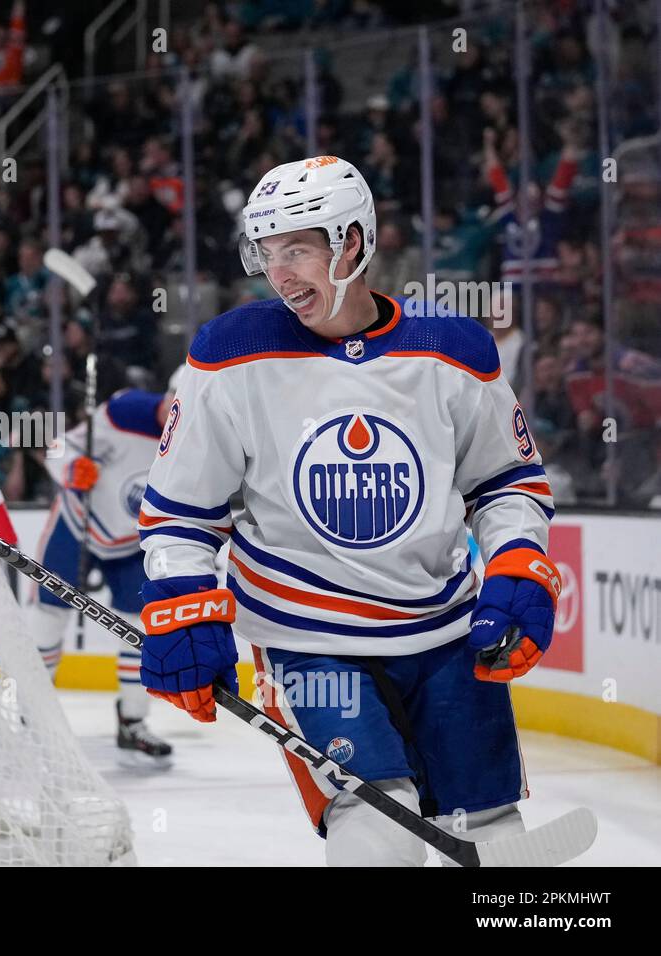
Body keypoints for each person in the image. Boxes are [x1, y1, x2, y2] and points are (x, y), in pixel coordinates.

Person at [139, 157, 560, 866]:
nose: (281, 273)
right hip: (307, 636)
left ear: (354, 243)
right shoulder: (228, 355)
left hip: (445, 629)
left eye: (298, 249)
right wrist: (183, 597)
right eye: (267, 253)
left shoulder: (454, 349)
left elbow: (508, 482)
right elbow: (181, 513)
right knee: (380, 826)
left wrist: (518, 561)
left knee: (490, 827)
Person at [29, 381, 181, 768]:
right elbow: (60, 447)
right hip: (76, 521)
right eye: (174, 402)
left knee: (138, 630)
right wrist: (70, 468)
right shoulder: (124, 410)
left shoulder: (202, 440)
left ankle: (132, 721)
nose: (176, 412)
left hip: (132, 541)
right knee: (48, 619)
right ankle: (30, 714)